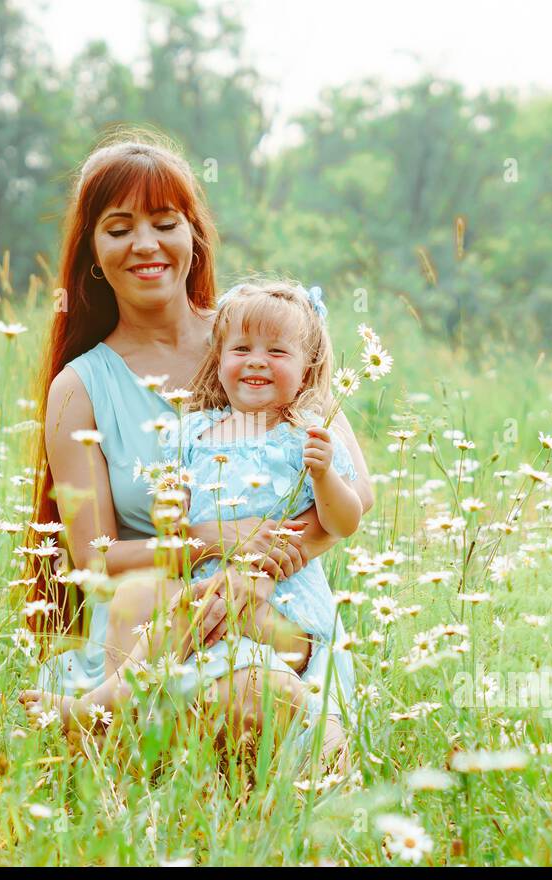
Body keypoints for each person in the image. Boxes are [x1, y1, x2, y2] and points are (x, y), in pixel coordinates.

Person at [21, 131, 373, 763]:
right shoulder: (81, 387)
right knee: (245, 699)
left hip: (271, 605)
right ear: (92, 254)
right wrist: (218, 543)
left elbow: (352, 497)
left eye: (165, 222)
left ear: (193, 237)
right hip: (150, 625)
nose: (146, 245)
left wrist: (259, 570)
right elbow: (95, 558)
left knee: (270, 693)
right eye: (119, 227)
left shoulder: (260, 338)